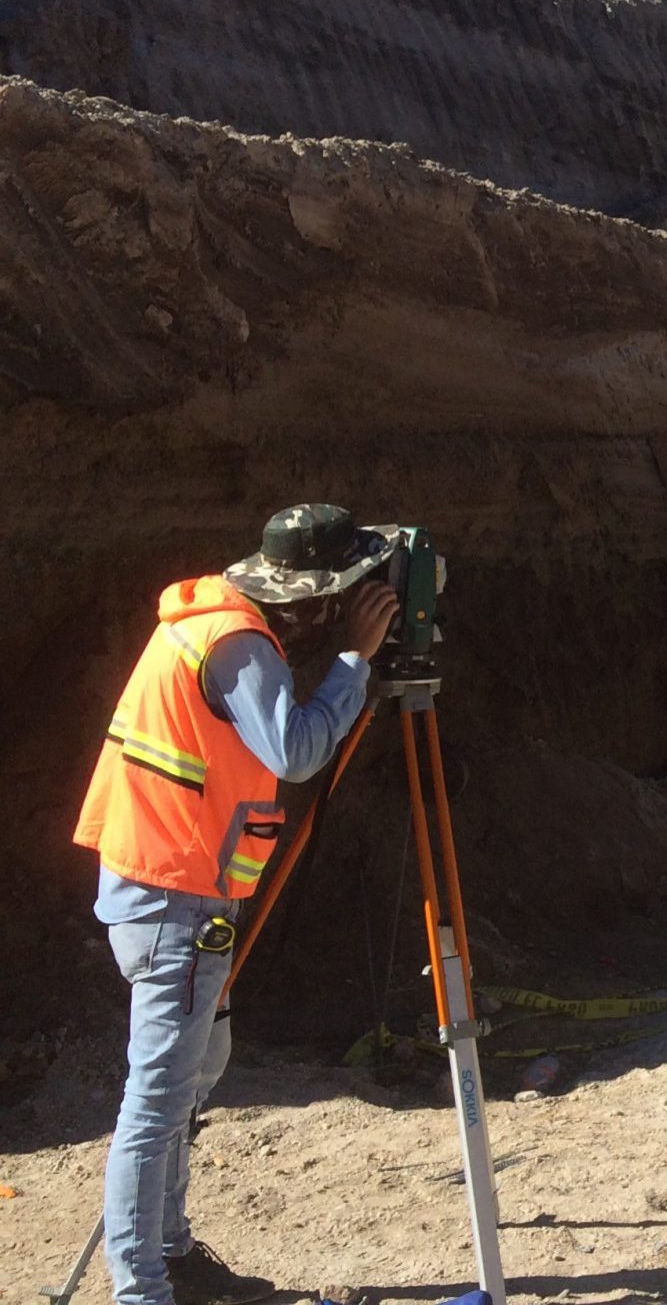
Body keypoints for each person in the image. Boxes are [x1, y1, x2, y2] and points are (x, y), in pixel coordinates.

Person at [76, 505, 397, 1305]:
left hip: (174, 890)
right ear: (314, 597)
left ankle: (173, 1255)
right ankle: (142, 1288)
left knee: (192, 1073)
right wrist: (356, 661)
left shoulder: (210, 619)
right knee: (156, 1100)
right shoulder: (237, 642)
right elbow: (294, 749)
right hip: (173, 901)